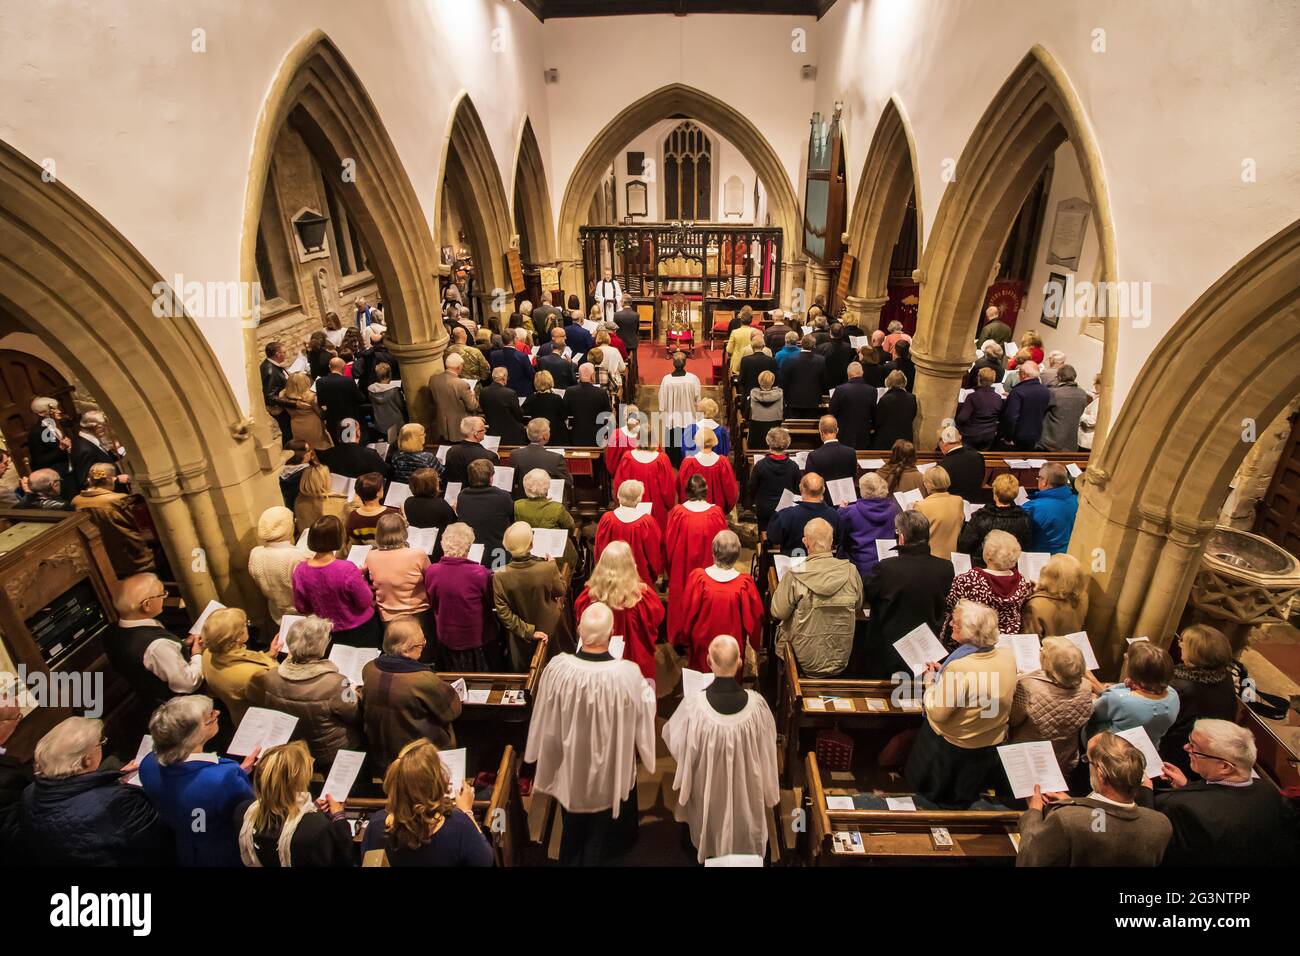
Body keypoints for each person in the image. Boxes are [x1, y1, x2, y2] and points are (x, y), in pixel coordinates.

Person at [524, 602, 657, 865]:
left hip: (570, 760)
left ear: (578, 630)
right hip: (606, 764)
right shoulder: (626, 674)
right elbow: (645, 709)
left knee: (573, 826)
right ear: (610, 635)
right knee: (600, 828)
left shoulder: (558, 669)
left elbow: (545, 712)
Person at [662, 635, 779, 863]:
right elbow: (767, 751)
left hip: (708, 786)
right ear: (739, 664)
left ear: (708, 662)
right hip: (746, 790)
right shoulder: (758, 707)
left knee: (710, 820)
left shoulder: (693, 706)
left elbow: (673, 739)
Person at [17, 716, 172, 866]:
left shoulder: (29, 793)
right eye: (101, 742)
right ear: (87, 759)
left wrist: (115, 781)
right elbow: (162, 834)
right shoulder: (120, 801)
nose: (103, 744)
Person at [906, 601, 1017, 808]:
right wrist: (944, 675)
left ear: (970, 632)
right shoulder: (1006, 655)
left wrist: (930, 681)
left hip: (954, 747)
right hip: (988, 741)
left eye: (955, 624)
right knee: (964, 794)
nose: (950, 626)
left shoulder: (960, 667)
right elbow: (979, 690)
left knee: (938, 797)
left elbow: (939, 712)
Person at [1144, 718, 1297, 866]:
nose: (1186, 747)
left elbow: (1152, 844)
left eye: (1194, 747)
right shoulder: (1267, 789)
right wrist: (1187, 786)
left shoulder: (1181, 808)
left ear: (1225, 767)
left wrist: (1145, 792)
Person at [1017, 732, 1172, 867]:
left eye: (1088, 760)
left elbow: (1029, 861)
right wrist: (1075, 804)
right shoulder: (1161, 824)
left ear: (1100, 774)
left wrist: (1033, 811)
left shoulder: (1066, 820)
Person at [138, 694, 256, 867]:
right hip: (224, 853)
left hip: (185, 846)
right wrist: (238, 775)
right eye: (210, 716)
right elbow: (248, 815)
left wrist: (237, 773)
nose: (217, 713)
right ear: (193, 735)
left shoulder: (148, 764)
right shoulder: (223, 778)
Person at [246, 616, 361, 770]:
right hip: (329, 751)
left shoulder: (270, 676)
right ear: (322, 646)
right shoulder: (336, 682)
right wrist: (356, 692)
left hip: (293, 747)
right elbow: (355, 715)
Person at [359, 738, 493, 867]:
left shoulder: (376, 825)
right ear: (436, 784)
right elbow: (486, 860)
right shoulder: (460, 826)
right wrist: (467, 812)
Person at [862, 512, 955, 678]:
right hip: (928, 652)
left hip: (889, 653)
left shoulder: (885, 568)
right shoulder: (946, 568)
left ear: (902, 538)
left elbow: (868, 595)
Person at [360, 618, 462, 770]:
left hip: (382, 752)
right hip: (418, 756)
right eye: (421, 644)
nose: (423, 647)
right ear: (406, 650)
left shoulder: (369, 669)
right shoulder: (422, 679)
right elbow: (452, 710)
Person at [236, 740, 354, 867]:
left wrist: (311, 809)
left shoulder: (242, 812)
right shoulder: (319, 827)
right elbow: (344, 860)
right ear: (300, 779)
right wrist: (339, 819)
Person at [771, 517, 862, 677]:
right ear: (831, 540)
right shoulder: (851, 572)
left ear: (805, 542)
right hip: (839, 657)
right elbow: (858, 605)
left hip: (802, 658)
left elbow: (778, 612)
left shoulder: (796, 574)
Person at [574, 541, 665, 685]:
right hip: (634, 661)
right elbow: (657, 618)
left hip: (598, 661)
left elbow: (580, 618)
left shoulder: (589, 596)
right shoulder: (643, 597)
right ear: (630, 565)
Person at [106, 573, 204, 707]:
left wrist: (182, 644)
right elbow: (188, 684)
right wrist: (197, 655)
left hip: (146, 697)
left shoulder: (109, 631)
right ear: (146, 604)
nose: (165, 597)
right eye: (162, 594)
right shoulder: (158, 645)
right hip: (180, 707)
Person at [677, 533, 764, 674]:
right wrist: (755, 644)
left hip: (703, 645)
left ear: (713, 551)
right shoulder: (744, 584)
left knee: (702, 681)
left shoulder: (698, 579)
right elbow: (754, 619)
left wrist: (685, 637)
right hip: (731, 647)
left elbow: (687, 611)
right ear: (737, 555)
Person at [1160, 625, 1239, 776]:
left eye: (1184, 642)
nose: (1179, 644)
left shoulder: (1181, 688)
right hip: (1211, 753)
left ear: (1196, 653)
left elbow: (1157, 721)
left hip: (1180, 756)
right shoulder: (1225, 676)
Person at [1008, 636, 1094, 775]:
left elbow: (1012, 719)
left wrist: (1020, 680)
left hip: (1028, 758)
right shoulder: (1086, 687)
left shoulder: (1028, 687)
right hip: (1064, 759)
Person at [293, 515, 382, 646]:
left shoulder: (300, 570)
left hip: (325, 633)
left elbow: (302, 607)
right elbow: (364, 601)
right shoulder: (346, 568)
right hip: (360, 630)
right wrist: (361, 579)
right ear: (338, 538)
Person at [663, 476, 729, 646]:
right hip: (709, 567)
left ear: (686, 492)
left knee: (683, 598)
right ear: (706, 492)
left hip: (682, 567)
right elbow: (724, 544)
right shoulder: (715, 513)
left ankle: (681, 636)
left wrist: (669, 567)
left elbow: (669, 544)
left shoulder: (677, 513)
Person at [492, 522, 565, 669]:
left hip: (521, 636)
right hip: (550, 630)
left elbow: (503, 613)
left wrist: (528, 631)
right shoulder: (546, 568)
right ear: (531, 545)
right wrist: (553, 566)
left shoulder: (500, 575)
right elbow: (560, 590)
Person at [942, 530, 1034, 642]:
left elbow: (951, 606)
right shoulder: (1021, 582)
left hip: (973, 641)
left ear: (989, 557)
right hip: (1007, 641)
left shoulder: (969, 580)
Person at [1087, 641, 1180, 749]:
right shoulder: (1173, 694)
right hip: (1148, 748)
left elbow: (1090, 713)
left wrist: (1093, 698)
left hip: (1113, 751)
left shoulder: (1120, 700)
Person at [72, 461, 154, 577]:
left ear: (89, 480)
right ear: (111, 479)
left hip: (104, 560)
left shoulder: (76, 501)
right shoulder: (119, 500)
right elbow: (144, 527)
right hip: (134, 557)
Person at [200, 607, 278, 726]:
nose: (247, 626)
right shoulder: (253, 674)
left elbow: (240, 661)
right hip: (259, 722)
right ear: (237, 637)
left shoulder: (208, 654)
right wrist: (291, 660)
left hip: (237, 715)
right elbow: (275, 697)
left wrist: (270, 655)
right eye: (244, 625)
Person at [595, 479, 665, 587]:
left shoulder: (607, 519)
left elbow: (599, 550)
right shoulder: (647, 522)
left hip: (610, 578)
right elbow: (654, 554)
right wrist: (654, 574)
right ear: (639, 499)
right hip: (639, 580)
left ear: (618, 496)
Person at [364, 512, 431, 622]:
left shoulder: (370, 555)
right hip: (419, 614)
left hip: (387, 617)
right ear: (403, 531)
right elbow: (430, 581)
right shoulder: (418, 554)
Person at [246, 506, 306, 626]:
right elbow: (305, 589)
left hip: (277, 613)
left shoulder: (255, 553)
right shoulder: (295, 556)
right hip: (303, 614)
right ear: (287, 526)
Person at [514, 467, 578, 577]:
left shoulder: (517, 506)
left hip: (528, 556)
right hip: (555, 559)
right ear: (547, 487)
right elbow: (570, 527)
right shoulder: (557, 508)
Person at [837, 472, 901, 583]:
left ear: (863, 491)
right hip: (888, 566)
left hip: (859, 567)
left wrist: (841, 511)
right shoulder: (894, 509)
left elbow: (839, 535)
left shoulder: (850, 512)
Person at [956, 473, 1033, 561]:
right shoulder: (1024, 518)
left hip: (984, 563)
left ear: (995, 493)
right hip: (1011, 563)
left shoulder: (981, 517)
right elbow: (1026, 545)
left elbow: (965, 545)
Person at [454, 458, 514, 567]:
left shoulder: (462, 496)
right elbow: (511, 516)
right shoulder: (503, 496)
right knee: (497, 581)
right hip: (497, 553)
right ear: (491, 478)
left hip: (471, 551)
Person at [765, 472, 840, 552]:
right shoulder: (834, 515)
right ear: (823, 490)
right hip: (825, 563)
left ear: (801, 488)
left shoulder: (786, 515)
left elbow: (773, 538)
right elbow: (838, 541)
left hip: (793, 563)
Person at [612, 442, 677, 531]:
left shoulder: (627, 458)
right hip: (656, 510)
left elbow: (619, 486)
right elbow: (668, 490)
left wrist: (621, 503)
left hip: (632, 507)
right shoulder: (662, 459)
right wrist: (669, 506)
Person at [747, 426, 800, 535]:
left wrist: (752, 502)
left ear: (768, 442)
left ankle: (764, 549)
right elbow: (797, 488)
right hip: (786, 509)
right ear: (787, 444)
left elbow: (752, 487)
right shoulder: (793, 466)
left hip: (764, 508)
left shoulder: (761, 465)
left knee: (764, 535)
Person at [1023, 553, 1089, 637]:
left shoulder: (1035, 605)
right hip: (1069, 646)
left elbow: (1029, 640)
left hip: (1048, 648)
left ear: (1050, 576)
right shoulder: (1083, 597)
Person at [510, 416, 573, 500]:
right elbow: (568, 482)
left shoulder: (515, 455)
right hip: (548, 504)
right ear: (545, 436)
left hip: (523, 502)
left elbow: (511, 482)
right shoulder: (556, 458)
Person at [1022, 462, 1078, 553]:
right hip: (1070, 557)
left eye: (1039, 477)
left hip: (1040, 559)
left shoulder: (1033, 507)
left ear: (1044, 482)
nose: (1038, 480)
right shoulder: (1078, 501)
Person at [658, 352, 701, 465]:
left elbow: (662, 403)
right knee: (688, 457)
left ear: (673, 363)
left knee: (672, 457)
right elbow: (698, 402)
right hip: (689, 421)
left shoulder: (666, 380)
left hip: (672, 422)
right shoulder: (693, 379)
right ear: (685, 363)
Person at [69, 409, 126, 492]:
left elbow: (101, 461)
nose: (106, 429)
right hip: (108, 495)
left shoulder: (88, 440)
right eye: (103, 426)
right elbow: (86, 480)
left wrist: (119, 451)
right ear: (95, 427)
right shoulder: (85, 450)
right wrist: (116, 480)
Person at [914, 465, 965, 558]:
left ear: (929, 484)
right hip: (952, 557)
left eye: (925, 482)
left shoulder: (921, 506)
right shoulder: (959, 501)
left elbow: (915, 537)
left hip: (930, 558)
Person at [429, 353, 481, 444]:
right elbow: (472, 406)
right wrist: (472, 394)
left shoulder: (434, 380)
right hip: (458, 426)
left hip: (441, 423)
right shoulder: (461, 384)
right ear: (459, 367)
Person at [805, 415, 857, 501]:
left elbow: (810, 483)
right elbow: (853, 476)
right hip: (847, 501)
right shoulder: (851, 452)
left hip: (824, 502)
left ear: (821, 432)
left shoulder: (814, 456)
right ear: (837, 430)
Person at [1000, 361, 1051, 451]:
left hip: (1019, 436)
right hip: (1038, 434)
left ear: (1023, 374)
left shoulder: (1018, 391)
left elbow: (1011, 417)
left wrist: (1008, 437)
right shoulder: (1045, 391)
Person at [1038, 364, 1090, 451]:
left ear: (1059, 377)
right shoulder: (1082, 394)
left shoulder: (1053, 393)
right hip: (1071, 442)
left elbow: (1040, 411)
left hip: (1051, 441)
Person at [316, 418, 387, 479]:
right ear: (358, 433)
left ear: (339, 436)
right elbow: (385, 472)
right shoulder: (370, 455)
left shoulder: (325, 456)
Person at [828, 362, 877, 449]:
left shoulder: (840, 390)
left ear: (848, 375)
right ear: (862, 373)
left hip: (844, 434)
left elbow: (832, 411)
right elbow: (874, 414)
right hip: (863, 434)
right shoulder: (872, 391)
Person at [292, 460, 348, 534]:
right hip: (335, 543)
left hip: (307, 543)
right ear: (326, 479)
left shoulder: (298, 501)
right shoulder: (339, 501)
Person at [26, 396, 72, 487]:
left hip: (72, 468)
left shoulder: (59, 425)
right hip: (59, 476)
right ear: (41, 413)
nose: (59, 411)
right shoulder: (36, 433)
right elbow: (39, 461)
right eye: (53, 409)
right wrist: (60, 448)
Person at [443, 415, 499, 488]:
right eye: (483, 430)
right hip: (478, 496)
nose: (485, 432)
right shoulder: (489, 456)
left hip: (453, 495)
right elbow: (493, 482)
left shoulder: (451, 451)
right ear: (476, 434)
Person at [955, 366, 1004, 450]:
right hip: (989, 435)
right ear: (993, 380)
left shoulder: (973, 397)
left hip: (971, 434)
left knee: (969, 457)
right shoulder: (998, 397)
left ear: (978, 379)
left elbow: (962, 418)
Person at [780, 334, 828, 419]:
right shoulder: (821, 360)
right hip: (812, 400)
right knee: (810, 426)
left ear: (801, 344)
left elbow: (783, 380)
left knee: (793, 428)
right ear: (814, 345)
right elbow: (824, 380)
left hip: (793, 400)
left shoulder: (789, 359)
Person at [315, 357, 365, 438]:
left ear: (330, 367)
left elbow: (321, 402)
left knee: (336, 442)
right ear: (343, 368)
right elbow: (360, 399)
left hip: (332, 419)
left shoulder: (320, 382)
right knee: (349, 440)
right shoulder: (348, 381)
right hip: (349, 418)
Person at [936, 425, 986, 503]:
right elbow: (982, 481)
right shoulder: (978, 456)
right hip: (976, 504)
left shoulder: (943, 466)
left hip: (954, 507)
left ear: (943, 443)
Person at [565, 363, 611, 447]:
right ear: (593, 376)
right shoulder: (601, 392)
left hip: (576, 435)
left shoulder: (570, 391)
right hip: (597, 436)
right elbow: (607, 415)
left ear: (579, 375)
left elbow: (565, 413)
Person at [480, 366, 528, 446]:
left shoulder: (483, 392)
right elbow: (519, 415)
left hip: (493, 432)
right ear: (504, 378)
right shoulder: (510, 393)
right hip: (512, 434)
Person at [344, 471, 395, 545]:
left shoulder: (353, 516)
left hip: (364, 555)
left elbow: (353, 542)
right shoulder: (391, 513)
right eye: (382, 487)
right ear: (378, 493)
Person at [522, 369, 571, 445]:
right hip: (557, 436)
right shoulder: (556, 398)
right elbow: (564, 416)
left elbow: (523, 412)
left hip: (538, 436)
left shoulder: (532, 398)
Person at [872, 371, 916, 448]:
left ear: (888, 382)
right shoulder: (912, 398)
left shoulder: (885, 399)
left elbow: (878, 420)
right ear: (904, 382)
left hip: (887, 439)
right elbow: (912, 415)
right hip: (905, 438)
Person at [367, 362, 407, 444]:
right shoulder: (394, 390)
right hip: (396, 424)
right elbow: (401, 406)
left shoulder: (370, 389)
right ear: (390, 374)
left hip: (380, 423)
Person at [488, 332, 535, 398]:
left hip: (501, 391)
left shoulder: (494, 355)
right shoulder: (522, 356)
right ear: (514, 340)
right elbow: (531, 374)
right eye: (516, 337)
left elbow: (492, 372)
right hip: (521, 392)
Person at [747, 368, 783, 451]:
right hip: (774, 439)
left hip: (756, 437)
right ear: (772, 382)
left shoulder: (753, 395)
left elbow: (746, 416)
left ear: (759, 381)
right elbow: (784, 415)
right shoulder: (780, 395)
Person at [738, 329, 777, 400]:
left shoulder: (746, 360)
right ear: (763, 347)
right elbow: (774, 380)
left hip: (749, 395)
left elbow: (741, 380)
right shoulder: (772, 360)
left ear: (752, 347)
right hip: (767, 396)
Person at [1078, 374, 1101, 451]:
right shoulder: (1098, 398)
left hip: (1087, 441)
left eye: (1096, 383)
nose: (1094, 385)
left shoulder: (1099, 401)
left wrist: (1080, 413)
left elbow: (1091, 421)